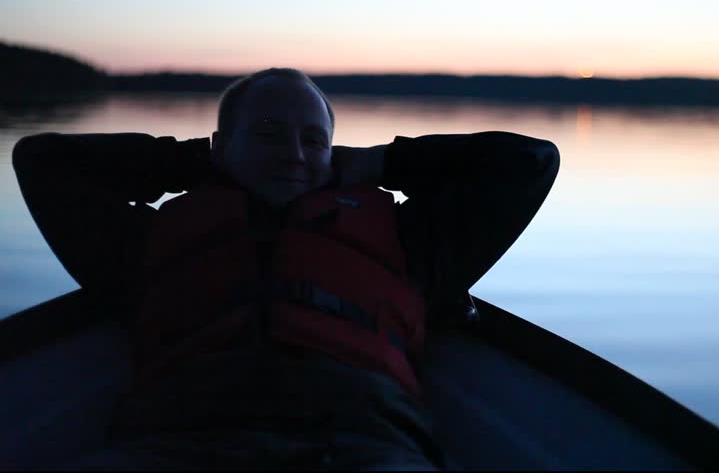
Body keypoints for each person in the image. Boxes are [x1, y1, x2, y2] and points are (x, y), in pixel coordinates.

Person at [12, 67, 560, 470]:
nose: (293, 155)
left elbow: (530, 162)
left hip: (362, 441)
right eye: (269, 135)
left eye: (312, 139)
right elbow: (43, 160)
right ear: (222, 148)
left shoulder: (410, 239)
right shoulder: (149, 240)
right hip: (175, 437)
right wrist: (194, 162)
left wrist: (382, 162)